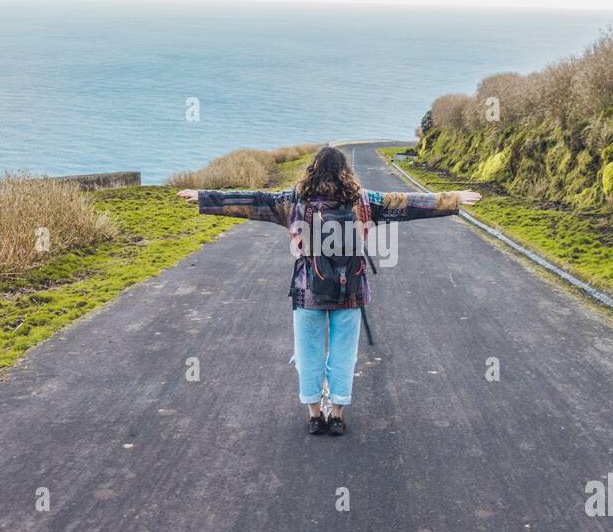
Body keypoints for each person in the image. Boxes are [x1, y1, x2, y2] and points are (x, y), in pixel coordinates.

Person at [179, 146, 480, 436]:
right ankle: (336, 416)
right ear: (345, 172)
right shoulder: (364, 201)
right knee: (343, 354)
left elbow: (255, 200)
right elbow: (407, 203)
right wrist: (453, 199)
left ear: (313, 170)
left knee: (308, 354)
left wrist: (205, 198)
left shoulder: (294, 200)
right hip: (350, 292)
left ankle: (314, 416)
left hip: (307, 290)